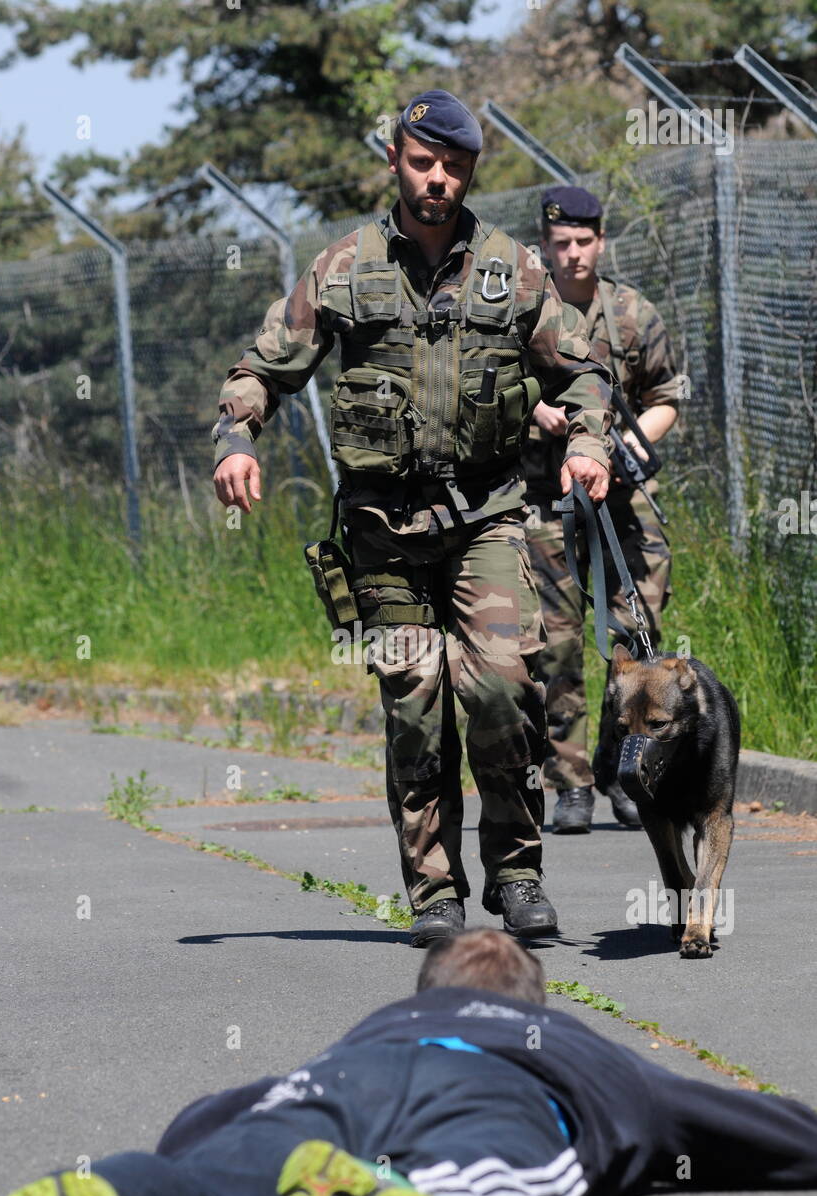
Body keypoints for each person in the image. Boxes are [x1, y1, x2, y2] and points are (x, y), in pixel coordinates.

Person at [210, 91, 614, 946]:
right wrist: (235, 438)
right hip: (380, 533)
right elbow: (267, 364)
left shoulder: (513, 268)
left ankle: (516, 872)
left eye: (455, 168)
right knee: (415, 709)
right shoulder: (345, 265)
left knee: (503, 689)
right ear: (394, 159)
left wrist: (588, 441)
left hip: (489, 518)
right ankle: (435, 890)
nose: (438, 180)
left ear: (471, 172)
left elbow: (581, 372)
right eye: (424, 163)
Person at [0, 929, 817, 1196]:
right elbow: (752, 1126)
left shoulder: (376, 1029)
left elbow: (209, 1117)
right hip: (495, 1090)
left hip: (333, 1086)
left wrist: (183, 1161)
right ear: (535, 1001)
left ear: (427, 994)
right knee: (496, 1169)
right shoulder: (568, 1046)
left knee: (218, 1181)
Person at [523, 186, 686, 833]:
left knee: (637, 632)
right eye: (559, 244)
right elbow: (498, 388)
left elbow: (667, 393)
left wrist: (631, 442)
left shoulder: (628, 311)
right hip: (546, 499)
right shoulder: (525, 312)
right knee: (555, 646)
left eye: (583, 241)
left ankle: (623, 766)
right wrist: (534, 407)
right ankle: (568, 784)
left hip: (618, 497)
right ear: (544, 246)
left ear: (599, 240)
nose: (572, 254)